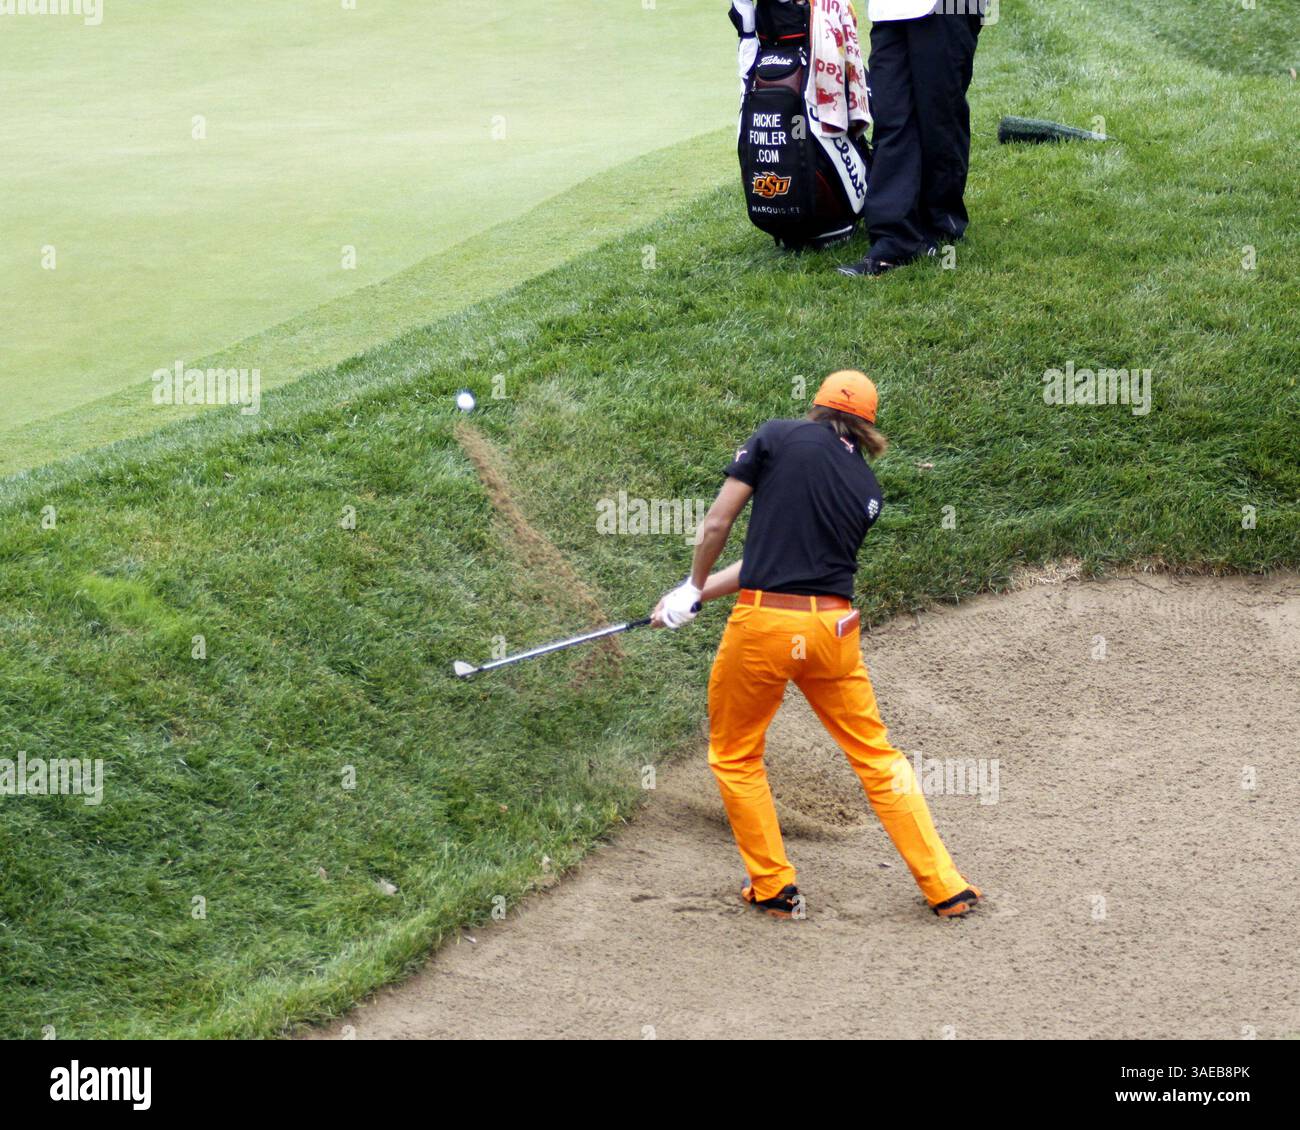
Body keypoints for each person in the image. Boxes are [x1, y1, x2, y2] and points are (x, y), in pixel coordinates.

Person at [652, 370, 980, 919]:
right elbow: (776, 564)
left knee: (735, 755)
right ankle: (946, 887)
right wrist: (698, 596)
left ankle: (775, 888)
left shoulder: (776, 436)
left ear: (816, 408)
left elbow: (717, 524)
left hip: (764, 629)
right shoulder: (866, 488)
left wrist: (690, 585)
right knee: (877, 758)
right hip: (833, 632)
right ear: (867, 428)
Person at [838, 1, 985, 277]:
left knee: (939, 118)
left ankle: (940, 226)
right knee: (891, 117)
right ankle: (894, 237)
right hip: (889, 10)